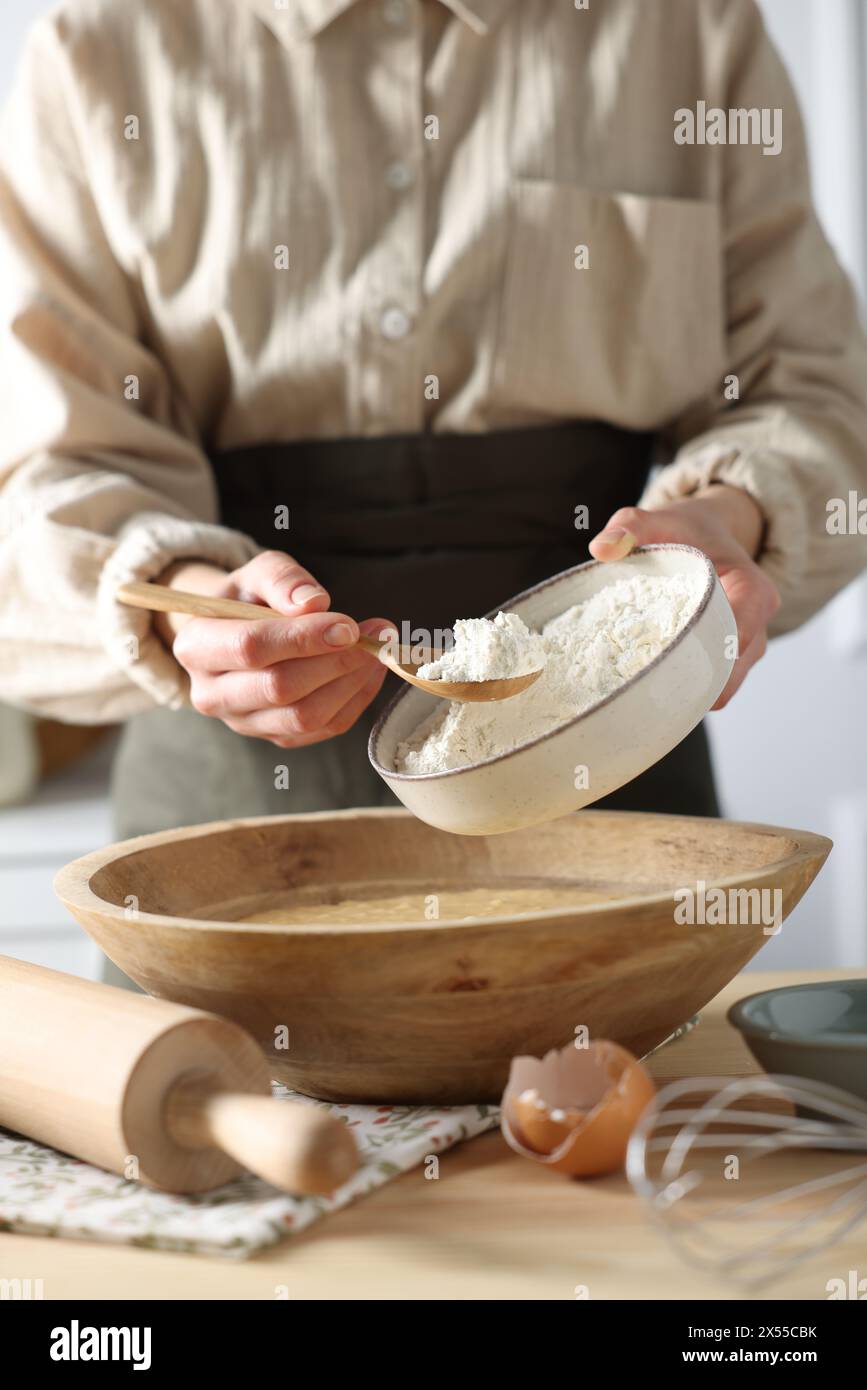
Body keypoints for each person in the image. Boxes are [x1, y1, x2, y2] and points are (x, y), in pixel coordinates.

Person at [1, 0, 866, 843]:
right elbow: (38, 472)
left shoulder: (687, 27)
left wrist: (725, 517)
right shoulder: (101, 48)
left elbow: (814, 393)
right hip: (230, 814)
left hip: (609, 788)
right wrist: (190, 608)